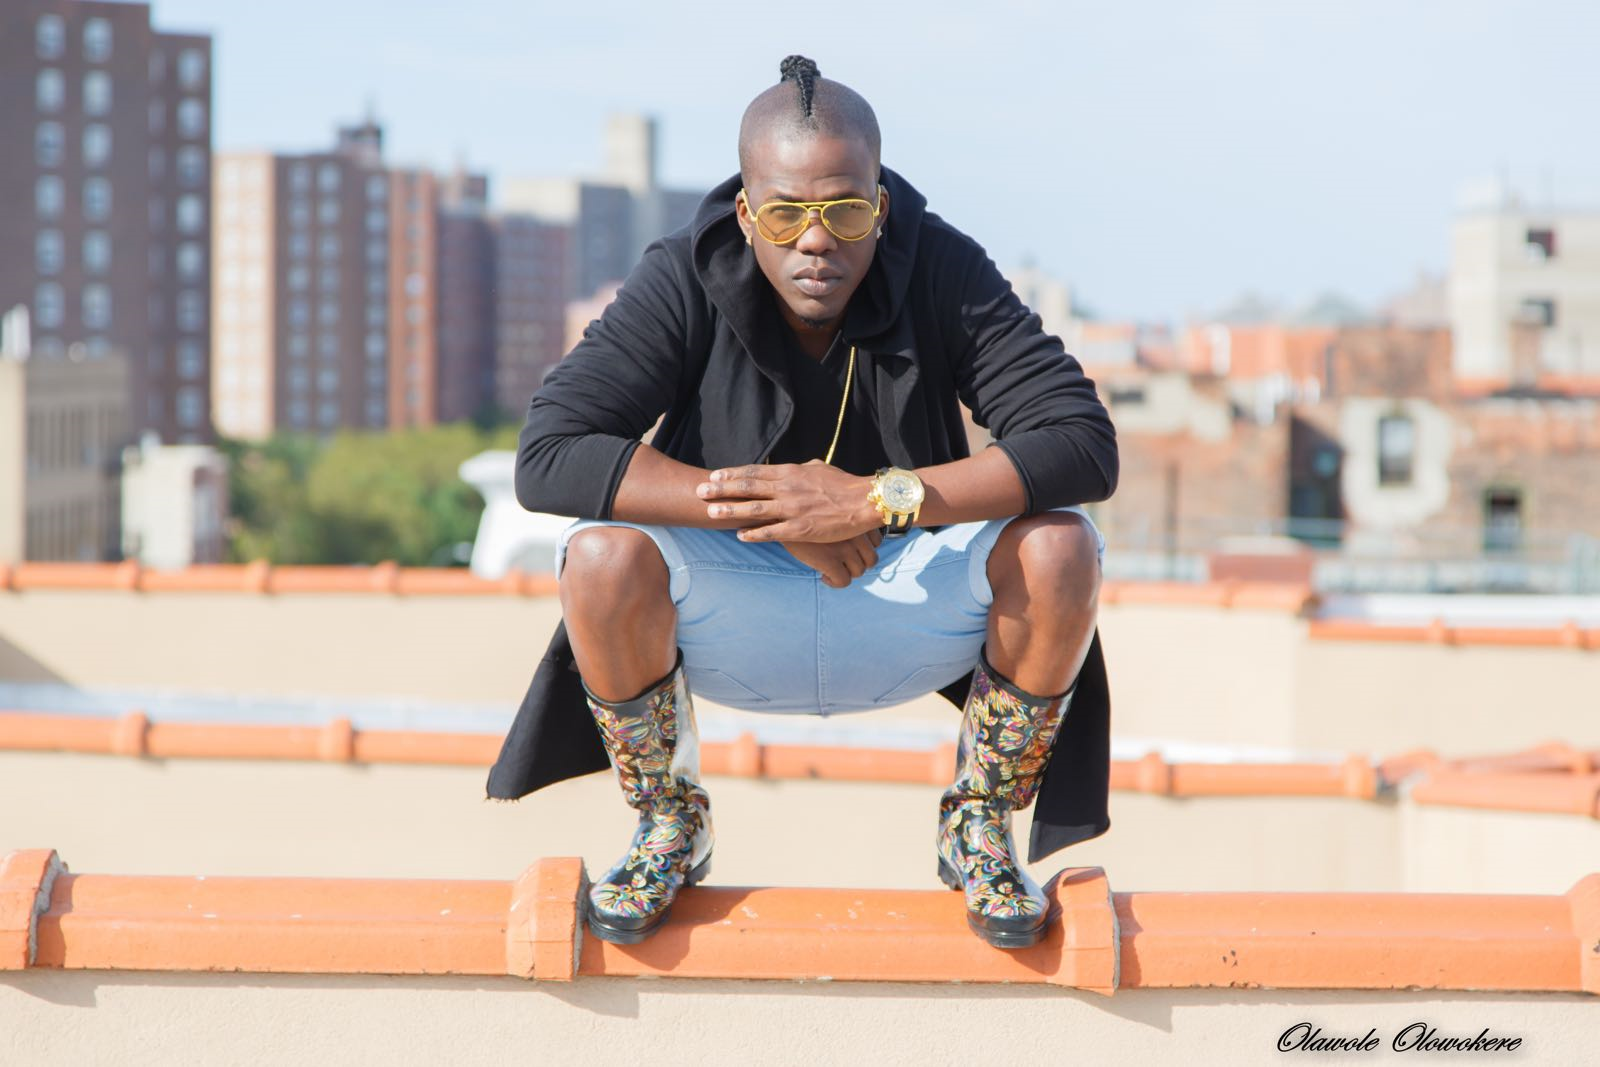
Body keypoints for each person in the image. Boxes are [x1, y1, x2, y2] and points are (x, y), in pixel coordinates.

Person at [487, 55, 1118, 951]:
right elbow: (549, 454)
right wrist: (778, 516)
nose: (814, 239)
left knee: (1062, 546)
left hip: (903, 600)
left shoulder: (942, 266)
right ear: (747, 214)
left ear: (881, 207)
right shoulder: (684, 274)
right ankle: (671, 818)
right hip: (731, 612)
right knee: (600, 552)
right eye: (785, 214)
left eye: (844, 212)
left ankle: (978, 819)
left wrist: (875, 501)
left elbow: (1082, 441)